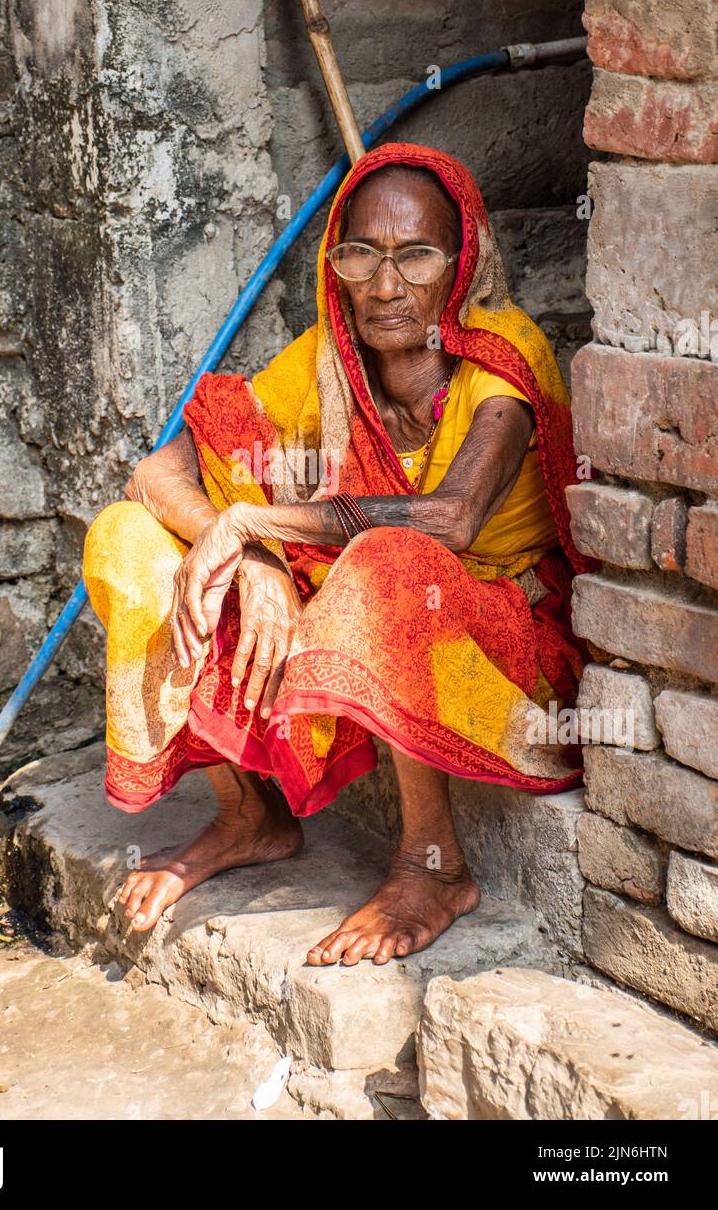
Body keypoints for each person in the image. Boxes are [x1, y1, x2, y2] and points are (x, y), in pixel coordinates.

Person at [83, 142, 591, 967]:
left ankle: (433, 867)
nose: (386, 286)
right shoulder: (332, 359)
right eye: (361, 255)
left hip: (507, 655)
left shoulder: (502, 356)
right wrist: (255, 556)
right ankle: (250, 813)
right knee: (127, 538)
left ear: (463, 262)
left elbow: (452, 519)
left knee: (386, 561)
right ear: (336, 262)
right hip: (361, 610)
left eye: (416, 255)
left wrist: (262, 524)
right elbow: (162, 467)